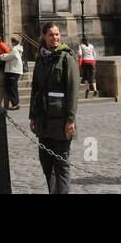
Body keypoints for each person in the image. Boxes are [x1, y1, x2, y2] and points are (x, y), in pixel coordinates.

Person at [29, 22, 78, 194]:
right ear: (44, 36)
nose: (55, 37)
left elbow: (73, 91)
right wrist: (32, 116)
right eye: (51, 34)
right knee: (46, 162)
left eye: (57, 34)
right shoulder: (41, 58)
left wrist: (70, 119)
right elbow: (35, 89)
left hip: (60, 119)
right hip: (43, 119)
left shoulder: (67, 58)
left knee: (61, 164)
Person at [0, 34, 23, 110]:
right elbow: (10, 55)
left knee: (11, 87)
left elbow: (9, 57)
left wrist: (1, 57)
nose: (11, 43)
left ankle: (15, 103)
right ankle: (16, 103)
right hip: (15, 71)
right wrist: (4, 54)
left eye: (12, 41)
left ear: (14, 42)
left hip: (13, 70)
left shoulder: (15, 49)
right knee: (14, 87)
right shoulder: (18, 49)